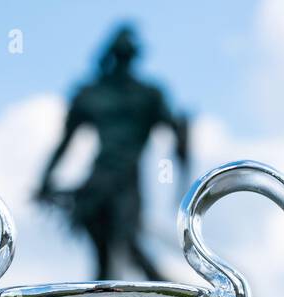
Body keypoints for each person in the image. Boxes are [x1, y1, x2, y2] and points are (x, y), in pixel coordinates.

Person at [36, 25, 189, 280]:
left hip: (122, 183)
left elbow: (176, 135)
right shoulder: (106, 94)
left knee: (125, 246)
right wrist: (45, 181)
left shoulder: (144, 96)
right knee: (110, 254)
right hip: (101, 184)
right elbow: (64, 144)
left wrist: (45, 180)